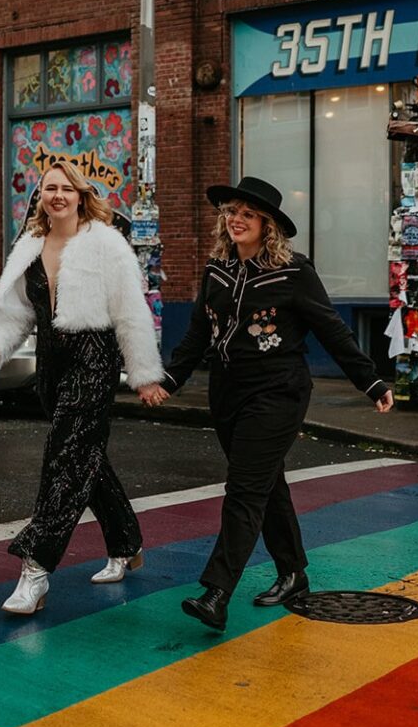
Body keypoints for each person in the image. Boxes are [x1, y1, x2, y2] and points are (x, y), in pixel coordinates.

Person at [142, 176, 394, 631]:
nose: (236, 219)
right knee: (265, 485)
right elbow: (200, 333)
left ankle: (216, 592)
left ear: (267, 225)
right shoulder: (218, 268)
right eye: (232, 212)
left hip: (278, 392)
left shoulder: (294, 272)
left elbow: (331, 329)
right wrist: (171, 379)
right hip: (227, 393)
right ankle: (294, 572)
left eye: (248, 214)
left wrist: (371, 380)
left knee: (243, 489)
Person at [0, 160, 166, 615]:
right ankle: (126, 543)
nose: (57, 195)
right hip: (52, 368)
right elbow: (15, 311)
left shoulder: (105, 244)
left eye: (66, 188)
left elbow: (130, 312)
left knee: (63, 460)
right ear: (40, 197)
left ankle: (35, 570)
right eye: (48, 189)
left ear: (82, 196)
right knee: (84, 460)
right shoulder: (30, 246)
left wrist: (145, 374)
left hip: (94, 360)